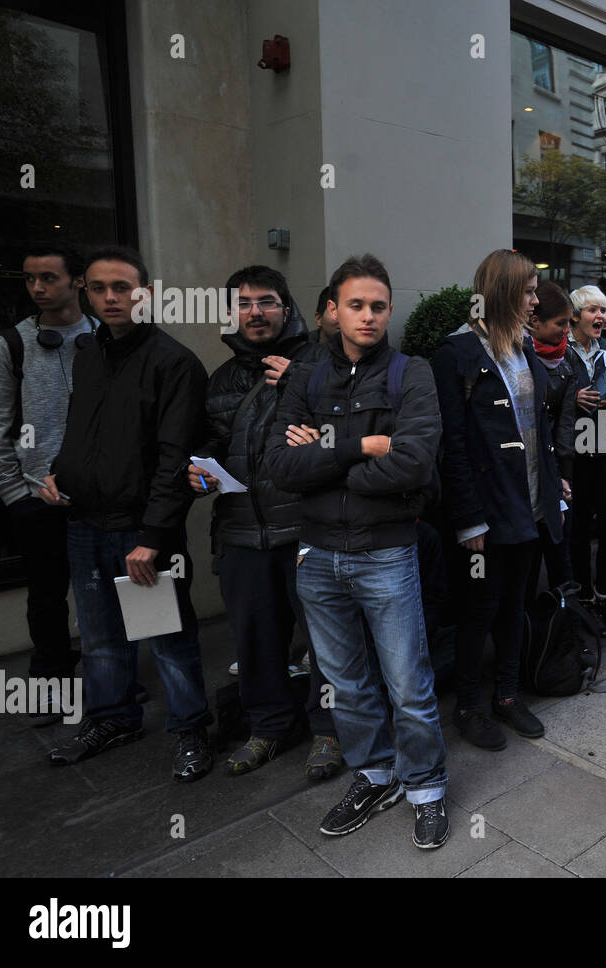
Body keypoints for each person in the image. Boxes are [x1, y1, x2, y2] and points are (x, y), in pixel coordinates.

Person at [264, 253, 450, 848]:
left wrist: (326, 461)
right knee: (346, 682)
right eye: (355, 305)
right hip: (317, 555)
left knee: (407, 682)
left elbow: (415, 462)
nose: (367, 316)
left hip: (386, 551)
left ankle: (425, 787)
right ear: (333, 311)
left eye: (377, 306)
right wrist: (359, 445)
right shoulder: (304, 376)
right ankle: (375, 776)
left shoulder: (410, 373)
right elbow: (278, 466)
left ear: (389, 310)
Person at [44, 246, 213, 780]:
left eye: (123, 287)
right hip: (84, 524)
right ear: (85, 293)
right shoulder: (88, 353)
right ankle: (114, 719)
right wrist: (59, 472)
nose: (111, 297)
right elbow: (85, 432)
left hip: (140, 533)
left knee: (163, 638)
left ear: (148, 293)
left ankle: (191, 733)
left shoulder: (174, 362)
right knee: (96, 638)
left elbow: (175, 458)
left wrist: (154, 534)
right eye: (99, 288)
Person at [188, 265, 341, 779]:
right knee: (254, 640)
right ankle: (269, 728)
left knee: (326, 639)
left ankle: (330, 731)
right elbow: (213, 439)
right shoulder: (223, 378)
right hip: (240, 528)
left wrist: (301, 385)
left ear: (286, 307)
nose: (255, 312)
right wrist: (202, 470)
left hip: (304, 528)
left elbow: (345, 430)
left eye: (266, 301)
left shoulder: (321, 360)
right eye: (244, 303)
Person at [432, 249, 563, 751]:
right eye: (529, 291)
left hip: (529, 506)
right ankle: (469, 705)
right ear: (505, 293)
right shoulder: (456, 354)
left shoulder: (523, 348)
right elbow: (454, 447)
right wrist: (468, 521)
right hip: (486, 514)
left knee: (515, 605)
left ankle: (507, 697)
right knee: (478, 610)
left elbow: (538, 428)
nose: (536, 299)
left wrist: (554, 486)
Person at [0, 243, 93, 724]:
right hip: (35, 500)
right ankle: (52, 685)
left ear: (77, 282)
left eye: (49, 277)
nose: (38, 288)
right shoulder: (9, 347)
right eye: (29, 279)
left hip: (100, 496)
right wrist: (14, 494)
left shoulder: (106, 338)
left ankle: (115, 677)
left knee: (110, 592)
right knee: (46, 599)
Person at [566, 284, 606, 632]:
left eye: (604, 311)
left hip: (605, 448)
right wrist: (571, 398)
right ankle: (584, 601)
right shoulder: (561, 351)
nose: (602, 317)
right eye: (594, 310)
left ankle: (605, 596)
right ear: (575, 315)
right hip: (574, 453)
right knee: (577, 531)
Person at [524, 281, 578, 607]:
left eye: (570, 322)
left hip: (555, 470)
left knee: (561, 557)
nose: (567, 330)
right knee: (527, 565)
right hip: (524, 471)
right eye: (561, 323)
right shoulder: (516, 356)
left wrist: (564, 475)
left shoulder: (567, 360)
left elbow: (565, 426)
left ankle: (569, 634)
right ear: (535, 322)